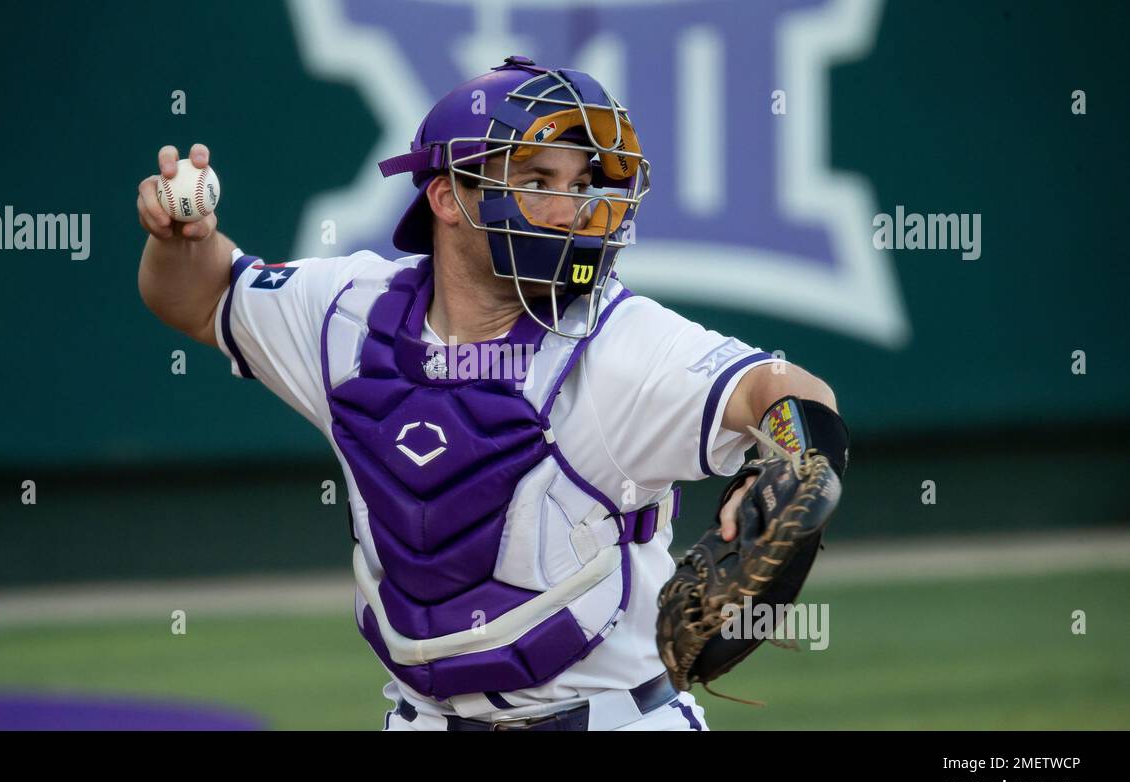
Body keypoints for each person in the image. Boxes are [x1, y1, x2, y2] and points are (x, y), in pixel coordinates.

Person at [136, 56, 841, 731]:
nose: (573, 208)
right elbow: (199, 299)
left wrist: (777, 462)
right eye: (539, 178)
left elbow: (785, 390)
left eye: (585, 181)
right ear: (447, 196)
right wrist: (180, 239)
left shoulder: (619, 341)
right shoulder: (345, 315)